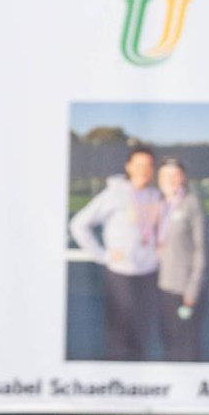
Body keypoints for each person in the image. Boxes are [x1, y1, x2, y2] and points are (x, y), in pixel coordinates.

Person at [69, 147, 164, 360]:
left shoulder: (156, 195)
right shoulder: (114, 194)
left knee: (142, 334)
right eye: (138, 165)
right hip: (121, 275)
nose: (143, 170)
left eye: (148, 166)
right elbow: (78, 224)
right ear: (128, 167)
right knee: (118, 336)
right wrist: (103, 255)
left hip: (149, 274)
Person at [155, 159, 208, 362]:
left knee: (186, 347)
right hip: (163, 288)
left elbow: (201, 250)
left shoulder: (191, 203)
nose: (169, 180)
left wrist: (191, 292)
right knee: (169, 343)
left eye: (174, 175)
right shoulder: (162, 204)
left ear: (182, 178)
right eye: (164, 176)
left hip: (184, 291)